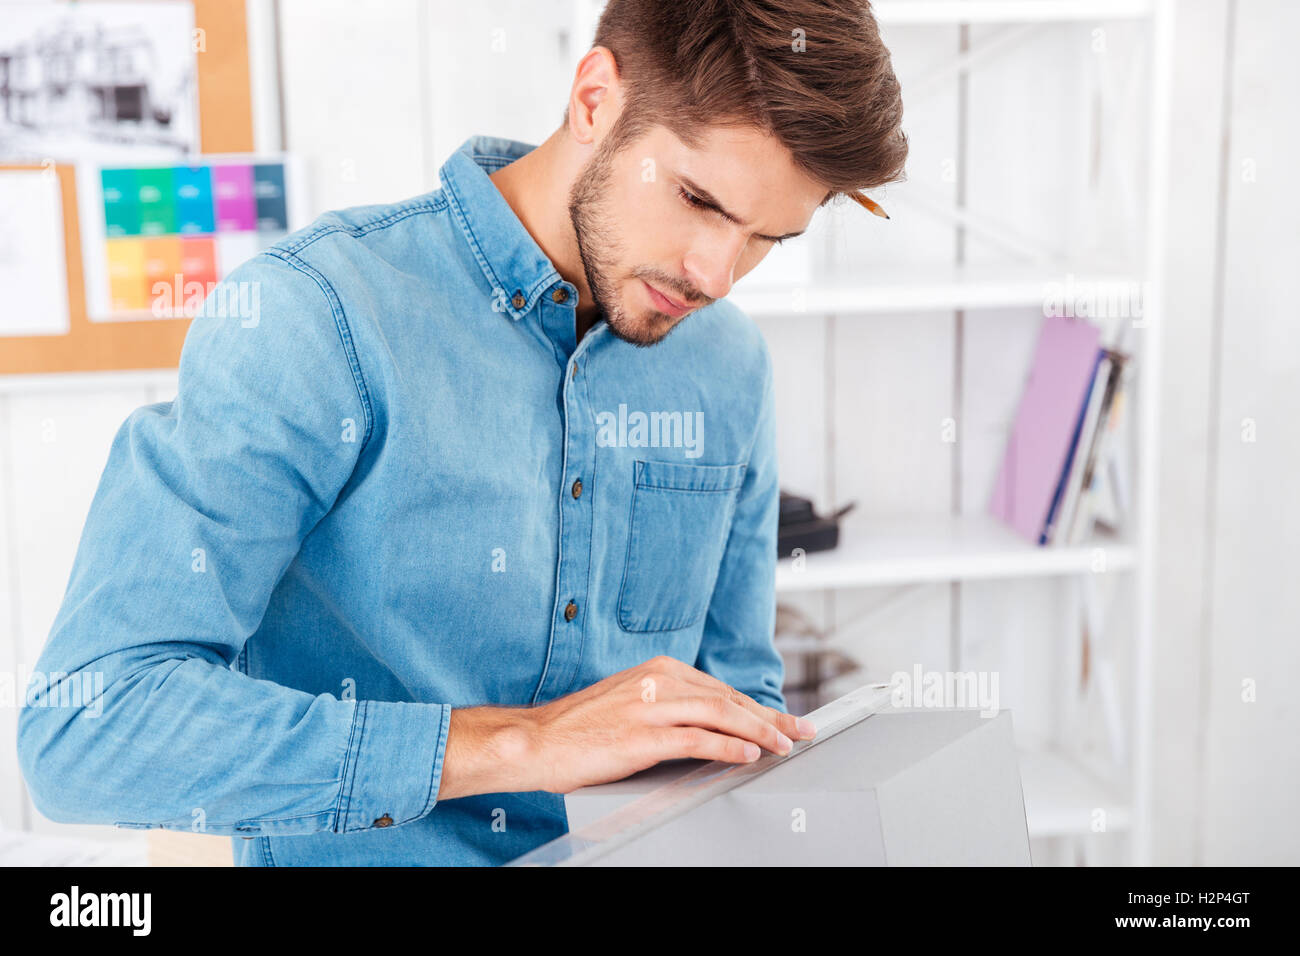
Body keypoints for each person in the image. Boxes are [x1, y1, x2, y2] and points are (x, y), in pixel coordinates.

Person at [18, 0, 907, 866]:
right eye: (697, 200)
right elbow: (85, 728)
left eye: (767, 239)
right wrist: (517, 744)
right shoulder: (317, 318)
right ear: (596, 98)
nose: (717, 274)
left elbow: (736, 694)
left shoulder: (726, 364)